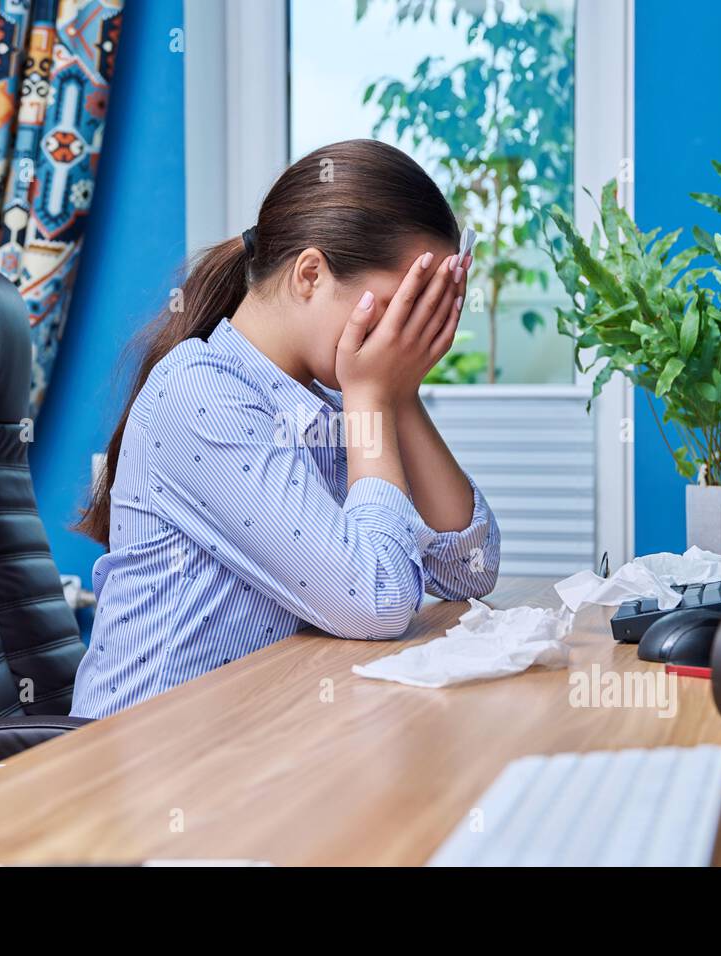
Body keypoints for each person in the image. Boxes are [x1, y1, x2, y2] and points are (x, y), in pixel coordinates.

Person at [70, 139, 500, 719]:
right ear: (310, 274)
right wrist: (373, 397)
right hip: (143, 760)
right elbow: (375, 601)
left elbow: (467, 570)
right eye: (402, 307)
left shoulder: (330, 395)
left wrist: (396, 394)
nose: (409, 331)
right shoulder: (202, 396)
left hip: (263, 737)